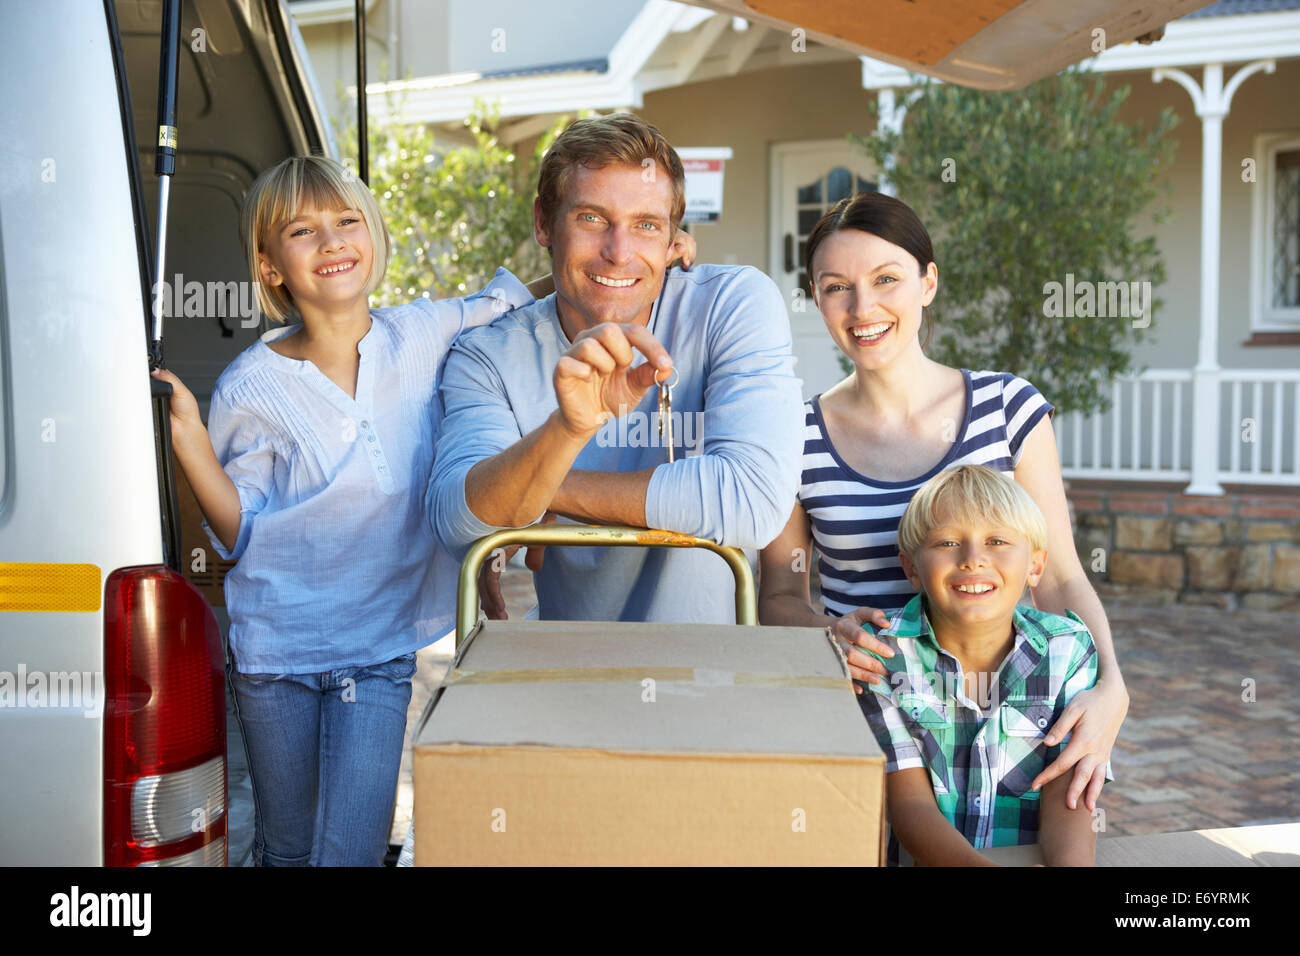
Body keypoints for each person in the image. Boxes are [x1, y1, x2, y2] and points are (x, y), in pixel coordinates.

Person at [150, 154, 546, 865]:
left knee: (351, 853)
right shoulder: (249, 386)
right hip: (276, 654)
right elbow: (238, 530)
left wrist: (641, 268)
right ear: (270, 266)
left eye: (346, 221)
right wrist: (191, 443)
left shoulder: (424, 333)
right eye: (302, 231)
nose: (331, 242)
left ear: (373, 236)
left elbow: (525, 299)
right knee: (288, 850)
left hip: (379, 649)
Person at [758, 191, 1127, 813]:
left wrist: (1111, 685)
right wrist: (831, 635)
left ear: (928, 283)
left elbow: (1058, 575)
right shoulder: (791, 436)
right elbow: (779, 598)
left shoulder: (1008, 408)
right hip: (868, 715)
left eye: (886, 280)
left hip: (1009, 723)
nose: (862, 307)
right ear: (816, 299)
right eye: (836, 287)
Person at [427, 113, 804, 623]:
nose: (618, 253)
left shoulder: (731, 304)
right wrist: (568, 428)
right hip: (567, 666)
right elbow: (457, 518)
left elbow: (751, 502)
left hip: (712, 671)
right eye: (591, 219)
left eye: (646, 225)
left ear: (673, 240)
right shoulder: (488, 355)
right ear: (544, 223)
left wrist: (541, 490)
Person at [856, 464, 1107, 866]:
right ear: (911, 568)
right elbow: (910, 807)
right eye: (947, 543)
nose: (973, 559)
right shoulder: (882, 656)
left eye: (996, 541)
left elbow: (1071, 790)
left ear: (1035, 567)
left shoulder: (1068, 649)